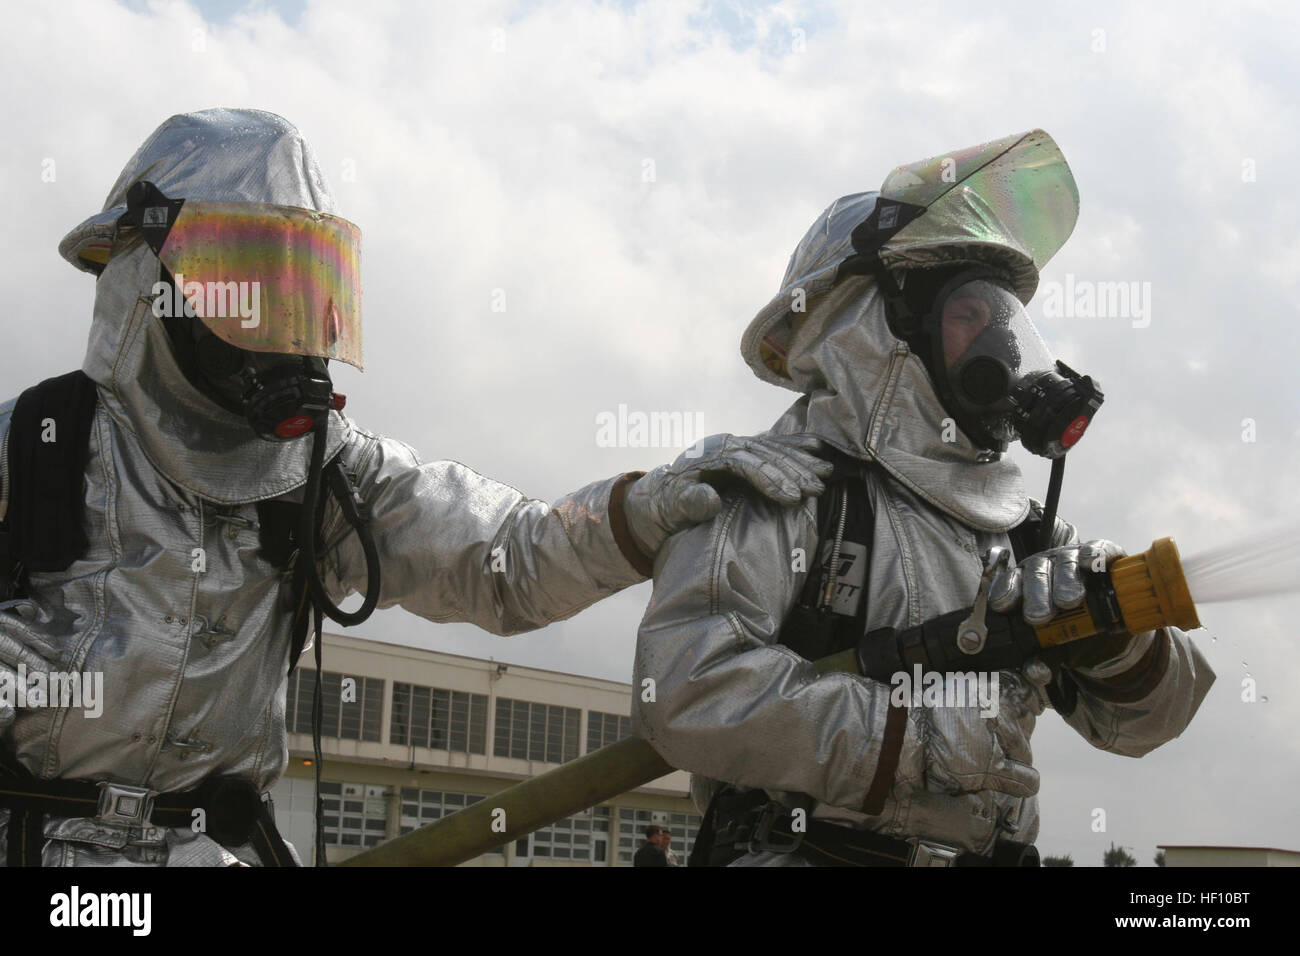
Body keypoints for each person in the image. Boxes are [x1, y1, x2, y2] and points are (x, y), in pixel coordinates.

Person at [0, 109, 831, 867]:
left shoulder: (326, 475)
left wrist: (644, 506)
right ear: (153, 284)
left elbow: (508, 558)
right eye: (252, 292)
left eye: (302, 294)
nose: (287, 339)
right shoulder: (30, 448)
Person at [631, 130, 1216, 867]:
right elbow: (685, 691)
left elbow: (1145, 726)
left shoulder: (1023, 537)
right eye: (968, 314)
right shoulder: (777, 491)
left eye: (1002, 319)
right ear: (877, 328)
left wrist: (1115, 637)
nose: (998, 345)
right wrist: (915, 742)